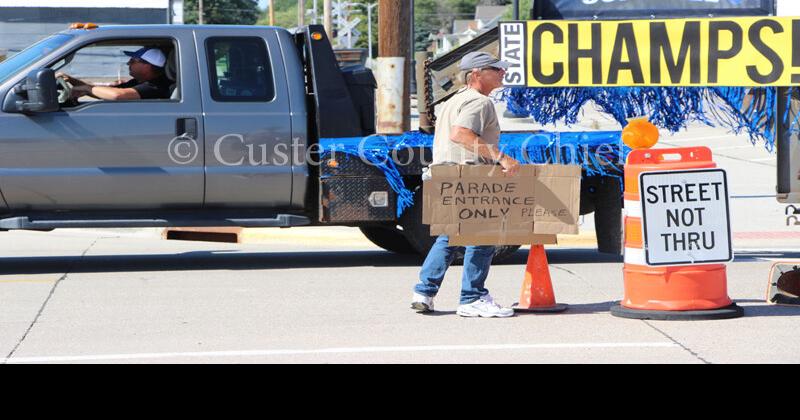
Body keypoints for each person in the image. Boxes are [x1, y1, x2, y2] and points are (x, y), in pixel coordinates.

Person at [411, 51, 522, 318]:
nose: (502, 72)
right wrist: (502, 158)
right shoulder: (479, 102)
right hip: (468, 175)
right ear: (476, 75)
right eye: (495, 69)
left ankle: (424, 292)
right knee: (481, 238)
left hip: (446, 173)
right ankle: (472, 298)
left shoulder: (454, 100)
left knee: (449, 237)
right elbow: (460, 134)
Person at [60, 47, 171, 101]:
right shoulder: (138, 82)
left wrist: (87, 88)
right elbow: (108, 92)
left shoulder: (155, 86)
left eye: (132, 61)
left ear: (147, 66)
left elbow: (117, 95)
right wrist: (71, 80)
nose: (128, 63)